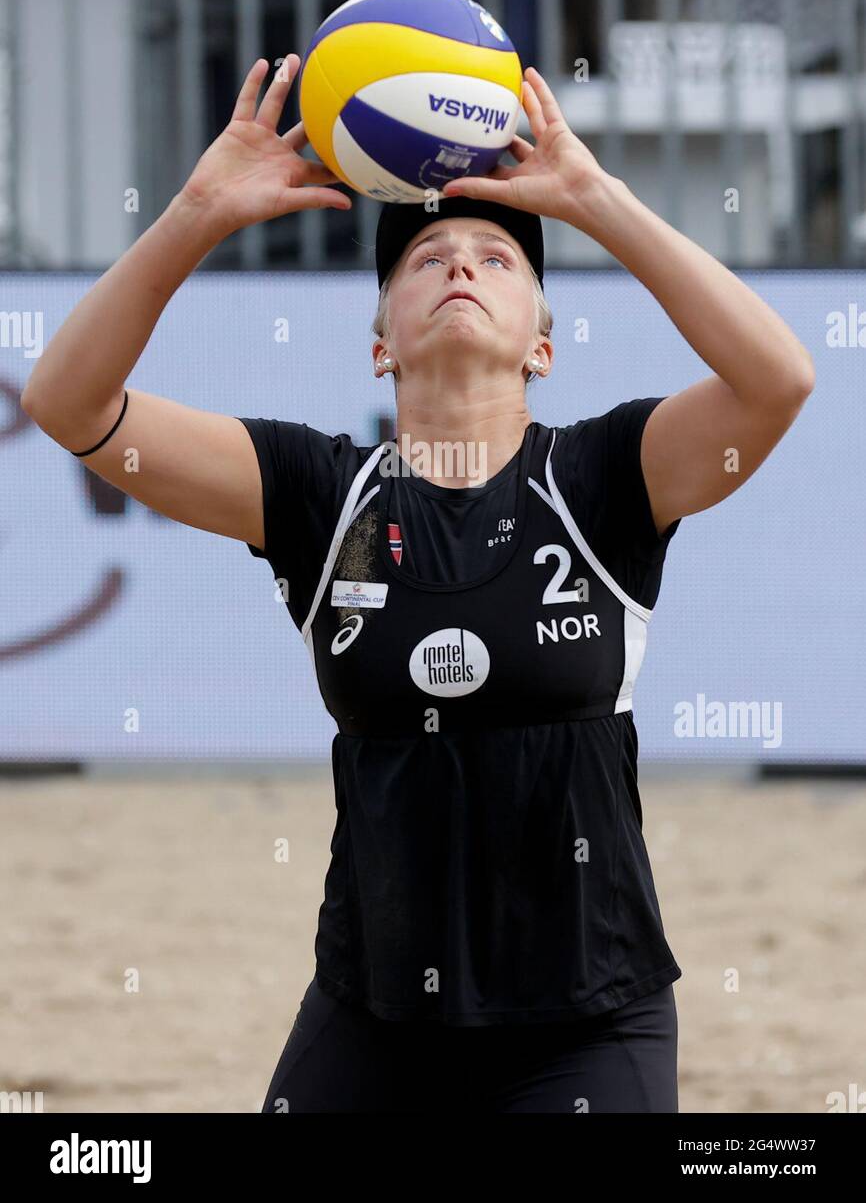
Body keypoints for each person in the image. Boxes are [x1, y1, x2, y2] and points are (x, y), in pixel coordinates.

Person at [20, 54, 815, 1114]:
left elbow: (778, 378)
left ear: (541, 342)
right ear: (379, 345)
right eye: (425, 256)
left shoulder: (604, 476)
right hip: (373, 1016)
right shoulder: (318, 493)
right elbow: (70, 404)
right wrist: (196, 214)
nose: (458, 266)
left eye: (496, 256)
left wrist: (592, 200)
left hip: (583, 1018)